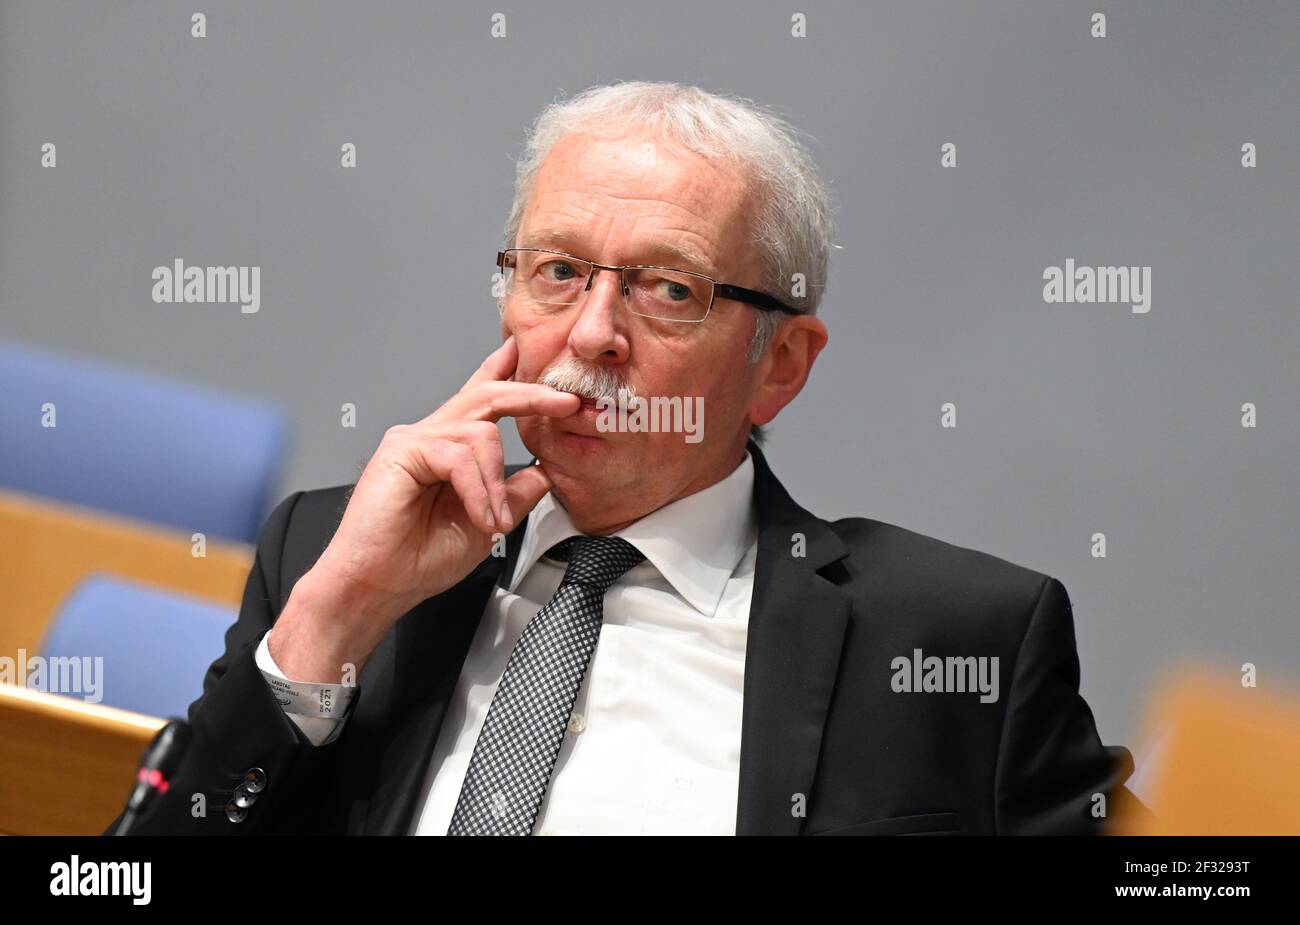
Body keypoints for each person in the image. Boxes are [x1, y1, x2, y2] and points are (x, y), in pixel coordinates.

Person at [108, 81, 1144, 836]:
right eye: (557, 271)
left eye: (669, 290)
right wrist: (326, 624)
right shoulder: (335, 552)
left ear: (778, 363)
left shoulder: (956, 638)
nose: (592, 332)